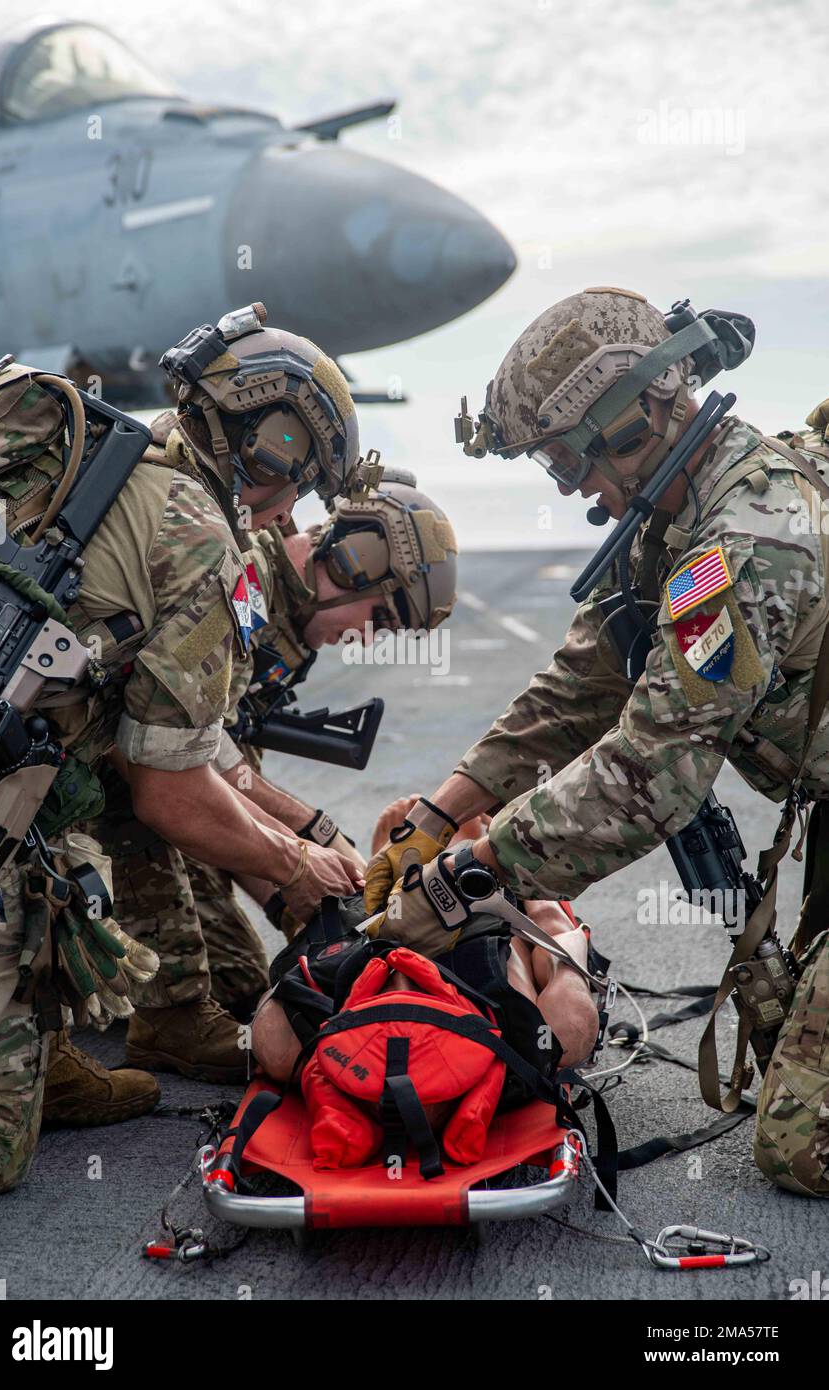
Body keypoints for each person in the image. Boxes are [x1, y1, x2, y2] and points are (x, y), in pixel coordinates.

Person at [363, 286, 829, 1194]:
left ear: (629, 416)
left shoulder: (738, 542)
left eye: (565, 460)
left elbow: (649, 773)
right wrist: (438, 813)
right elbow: (580, 684)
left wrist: (466, 884)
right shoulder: (674, 513)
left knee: (802, 1145)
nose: (573, 487)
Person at [0, 305, 361, 1197]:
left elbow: (178, 740)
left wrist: (302, 834)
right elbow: (170, 792)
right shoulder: (201, 543)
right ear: (270, 441)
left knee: (60, 831)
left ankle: (38, 1049)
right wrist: (295, 867)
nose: (290, 508)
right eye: (297, 482)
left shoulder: (102, 470)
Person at [96, 475, 459, 1068]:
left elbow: (231, 765)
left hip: (166, 784)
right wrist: (307, 845)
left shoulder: (286, 624)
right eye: (382, 617)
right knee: (227, 996)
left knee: (242, 986)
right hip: (120, 782)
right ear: (354, 563)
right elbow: (183, 767)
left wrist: (313, 905)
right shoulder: (240, 589)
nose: (368, 640)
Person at [251, 803, 600, 1123]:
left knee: (345, 923)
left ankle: (390, 879)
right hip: (476, 938)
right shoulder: (547, 1038)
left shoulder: (284, 1046)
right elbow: (560, 943)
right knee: (539, 948)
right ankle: (484, 872)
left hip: (374, 948)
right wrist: (532, 898)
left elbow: (308, 954)